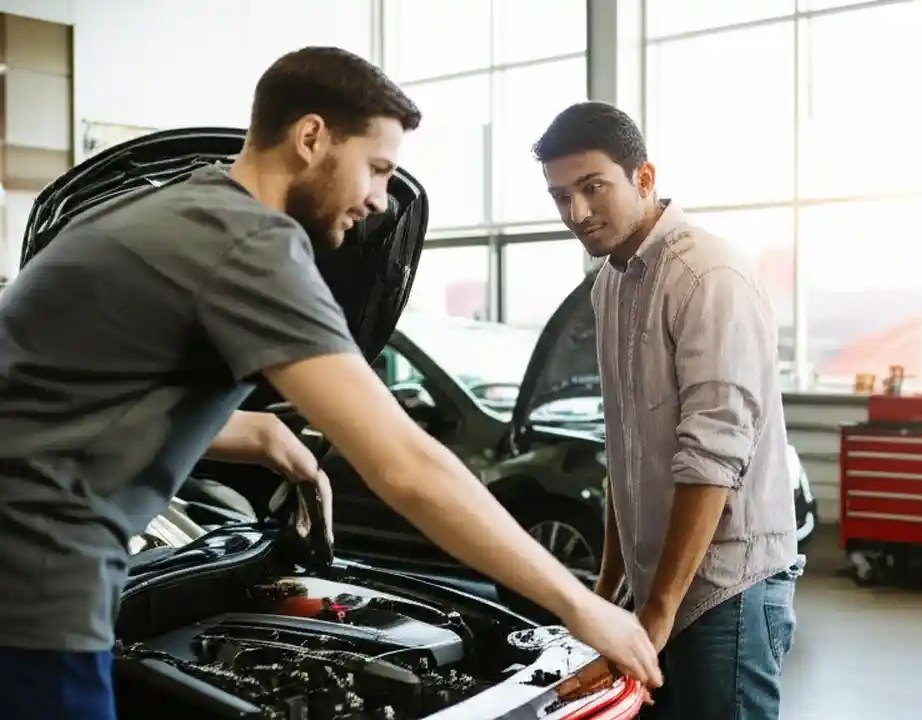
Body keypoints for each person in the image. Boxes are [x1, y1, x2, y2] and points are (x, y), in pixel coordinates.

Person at [0, 48, 660, 720]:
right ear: (311, 137)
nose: (378, 201)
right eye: (376, 169)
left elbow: (82, 398)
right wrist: (581, 606)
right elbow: (403, 465)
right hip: (34, 587)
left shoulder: (183, 212)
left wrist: (257, 431)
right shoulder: (247, 241)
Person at [533, 101, 804, 719]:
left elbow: (713, 454)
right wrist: (605, 592)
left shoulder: (707, 275)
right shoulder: (610, 284)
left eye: (592, 187)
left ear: (645, 178)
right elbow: (623, 451)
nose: (576, 212)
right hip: (653, 586)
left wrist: (655, 617)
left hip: (724, 592)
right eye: (559, 195)